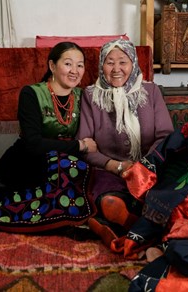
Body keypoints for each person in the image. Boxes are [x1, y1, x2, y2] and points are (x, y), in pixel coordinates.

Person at [0, 41, 97, 232]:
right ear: (52, 66)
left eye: (80, 65)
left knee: (80, 171)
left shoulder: (84, 96)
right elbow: (33, 144)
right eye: (68, 64)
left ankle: (64, 216)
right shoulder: (32, 93)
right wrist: (79, 145)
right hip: (28, 160)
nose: (75, 70)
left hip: (65, 159)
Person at [75, 38, 174, 240]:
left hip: (150, 167)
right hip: (109, 170)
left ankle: (118, 225)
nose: (116, 68)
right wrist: (115, 165)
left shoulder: (151, 91)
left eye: (123, 61)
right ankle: (134, 224)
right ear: (102, 65)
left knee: (163, 194)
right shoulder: (90, 95)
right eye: (109, 62)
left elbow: (165, 135)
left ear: (133, 64)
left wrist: (144, 166)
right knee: (106, 197)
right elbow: (85, 145)